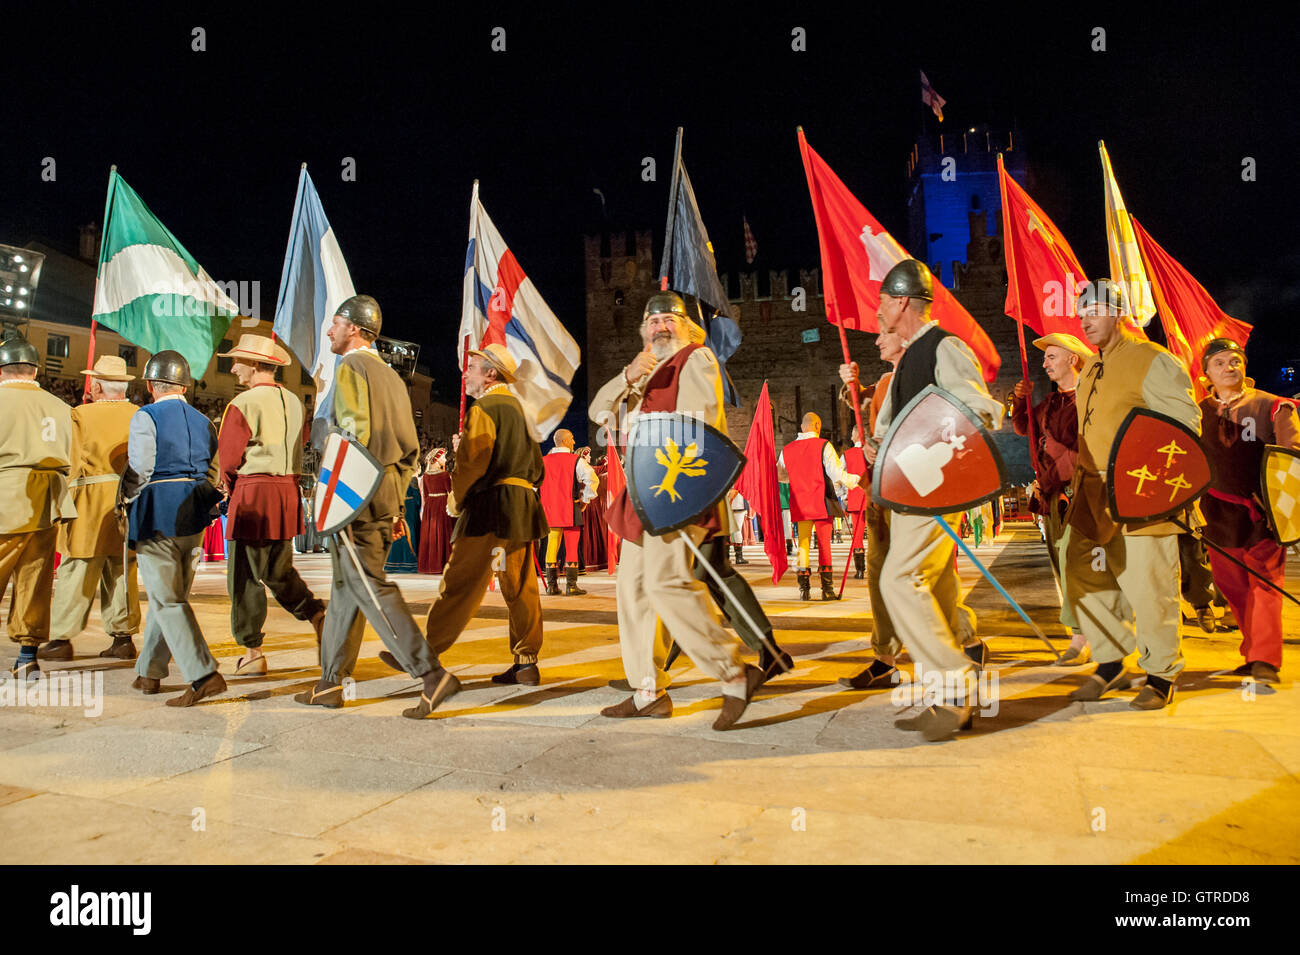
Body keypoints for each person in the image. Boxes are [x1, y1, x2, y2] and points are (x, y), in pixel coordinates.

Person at [590, 290, 761, 729]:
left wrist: (669, 477)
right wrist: (628, 376)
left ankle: (733, 671)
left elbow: (695, 427)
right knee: (632, 590)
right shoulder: (641, 373)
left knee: (667, 584)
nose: (661, 326)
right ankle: (648, 690)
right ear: (643, 330)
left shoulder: (697, 359)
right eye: (653, 321)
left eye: (669, 319)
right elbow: (597, 413)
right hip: (642, 494)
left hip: (675, 488)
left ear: (686, 326)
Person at [867, 260, 1003, 740]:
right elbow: (894, 425)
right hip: (908, 490)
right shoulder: (907, 359)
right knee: (934, 586)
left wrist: (934, 448)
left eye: (883, 300)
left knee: (899, 579)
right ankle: (945, 692)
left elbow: (978, 409)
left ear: (902, 301)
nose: (878, 309)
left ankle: (955, 686)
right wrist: (881, 447)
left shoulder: (944, 346)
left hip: (934, 488)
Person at [296, 295, 446, 713]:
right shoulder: (395, 379)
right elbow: (411, 451)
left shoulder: (352, 368)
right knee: (346, 589)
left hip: (355, 499)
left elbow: (353, 437)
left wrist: (341, 496)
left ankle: (429, 672)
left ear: (355, 329)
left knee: (367, 587)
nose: (329, 331)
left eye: (335, 323)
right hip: (382, 497)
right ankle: (330, 682)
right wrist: (395, 506)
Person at [1063, 280, 1200, 710]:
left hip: (1141, 492)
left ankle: (1161, 672)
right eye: (1081, 312)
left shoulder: (1152, 360)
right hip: (1092, 493)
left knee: (1149, 585)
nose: (1086, 319)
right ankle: (1110, 663)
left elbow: (1184, 427)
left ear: (1119, 312)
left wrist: (1156, 483)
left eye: (1095, 310)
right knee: (1088, 579)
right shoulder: (1088, 369)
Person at [406, 342, 547, 705]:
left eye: (472, 368)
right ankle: (526, 661)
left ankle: (426, 655)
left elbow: (474, 461)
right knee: (518, 585)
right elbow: (537, 467)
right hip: (520, 506)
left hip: (490, 507)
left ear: (490, 374)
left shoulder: (485, 407)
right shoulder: (523, 411)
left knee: (461, 580)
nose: (465, 374)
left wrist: (456, 499)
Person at [216, 334, 325, 676]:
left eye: (238, 362)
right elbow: (303, 440)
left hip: (252, 492)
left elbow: (228, 459)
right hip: (286, 491)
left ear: (254, 365)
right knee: (278, 570)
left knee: (245, 576)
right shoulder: (295, 401)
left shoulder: (243, 403)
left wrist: (226, 489)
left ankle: (253, 651)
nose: (233, 368)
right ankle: (318, 614)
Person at [122, 351, 227, 706]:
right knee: (169, 595)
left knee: (167, 599)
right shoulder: (205, 421)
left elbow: (140, 467)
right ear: (184, 385)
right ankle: (149, 672)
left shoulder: (145, 415)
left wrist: (126, 500)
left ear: (151, 385)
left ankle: (203, 673)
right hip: (194, 516)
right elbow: (213, 472)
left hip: (158, 514)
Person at [1196, 337, 1299, 684]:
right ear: (1207, 373)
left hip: (1262, 512)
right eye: (1221, 362)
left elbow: (1292, 458)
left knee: (1265, 584)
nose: (1230, 367)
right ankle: (1253, 650)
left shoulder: (1273, 407)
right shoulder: (1197, 412)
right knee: (1233, 586)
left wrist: (1282, 508)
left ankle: (1265, 660)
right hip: (1217, 513)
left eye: (1236, 361)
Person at [41, 355, 140, 662]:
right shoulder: (139, 414)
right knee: (122, 570)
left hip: (88, 500)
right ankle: (123, 638)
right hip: (127, 502)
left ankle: (61, 638)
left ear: (96, 386)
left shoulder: (79, 415)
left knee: (78, 569)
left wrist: (58, 506)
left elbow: (68, 464)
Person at [1011, 332, 1092, 664]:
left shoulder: (1090, 399)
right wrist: (1020, 400)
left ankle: (1081, 637)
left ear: (1072, 359)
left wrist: (1060, 461)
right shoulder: (1051, 402)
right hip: (1051, 494)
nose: (1044, 363)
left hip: (1083, 493)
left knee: (1078, 563)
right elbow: (1023, 428)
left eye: (1051, 357)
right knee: (1062, 563)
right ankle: (1083, 631)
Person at [0, 337, 76, 680]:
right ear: (34, 370)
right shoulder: (61, 407)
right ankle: (28, 657)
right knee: (36, 581)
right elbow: (74, 461)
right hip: (49, 503)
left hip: (8, 497)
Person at [777, 412, 860, 600]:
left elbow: (780, 476)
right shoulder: (824, 445)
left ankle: (804, 590)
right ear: (816, 425)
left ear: (801, 426)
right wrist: (854, 480)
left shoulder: (786, 449)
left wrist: (797, 478)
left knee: (803, 545)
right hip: (821, 501)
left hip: (800, 502)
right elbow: (837, 473)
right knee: (824, 545)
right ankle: (827, 590)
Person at [539, 428, 598, 595]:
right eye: (571, 439)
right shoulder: (576, 460)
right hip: (570, 508)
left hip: (549, 510)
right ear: (565, 441)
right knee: (571, 546)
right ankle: (571, 586)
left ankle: (552, 586)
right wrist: (586, 499)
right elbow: (592, 479)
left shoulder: (543, 461)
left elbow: (534, 485)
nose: (574, 442)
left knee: (552, 545)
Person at [417, 447, 454, 574]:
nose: (444, 459)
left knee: (431, 533)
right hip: (442, 503)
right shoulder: (444, 475)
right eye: (443, 457)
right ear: (437, 460)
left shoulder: (426, 476)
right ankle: (443, 563)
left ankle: (430, 565)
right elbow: (450, 491)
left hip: (430, 506)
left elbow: (425, 495)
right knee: (443, 532)